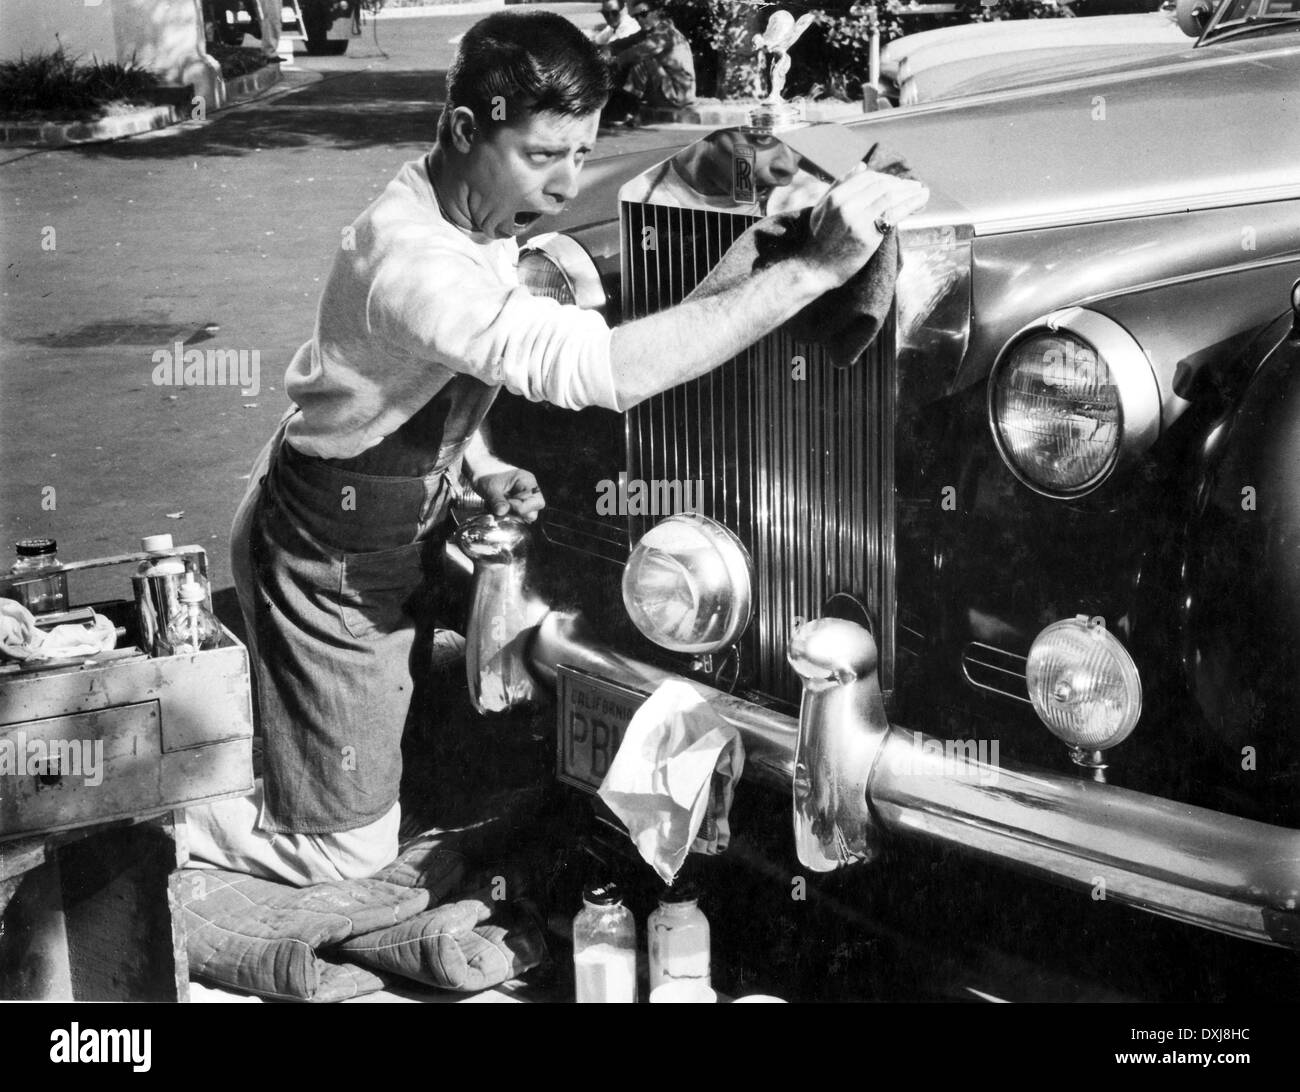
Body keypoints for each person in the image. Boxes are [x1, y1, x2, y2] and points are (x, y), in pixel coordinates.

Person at [184, 10, 927, 886]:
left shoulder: (458, 208)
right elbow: (606, 368)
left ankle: (300, 759)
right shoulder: (413, 261)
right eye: (543, 156)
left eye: (582, 154)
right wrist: (810, 270)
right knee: (343, 853)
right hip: (324, 555)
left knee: (431, 748)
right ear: (465, 128)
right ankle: (174, 812)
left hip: (391, 511)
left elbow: (405, 378)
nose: (566, 183)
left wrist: (478, 463)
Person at [604, 0, 696, 125]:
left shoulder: (666, 32)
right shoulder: (649, 32)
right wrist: (607, 49)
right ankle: (616, 104)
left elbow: (640, 51)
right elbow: (622, 43)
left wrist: (615, 60)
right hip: (666, 91)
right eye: (636, 17)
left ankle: (629, 110)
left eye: (643, 14)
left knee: (642, 59)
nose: (640, 20)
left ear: (656, 12)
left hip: (678, 95)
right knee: (629, 57)